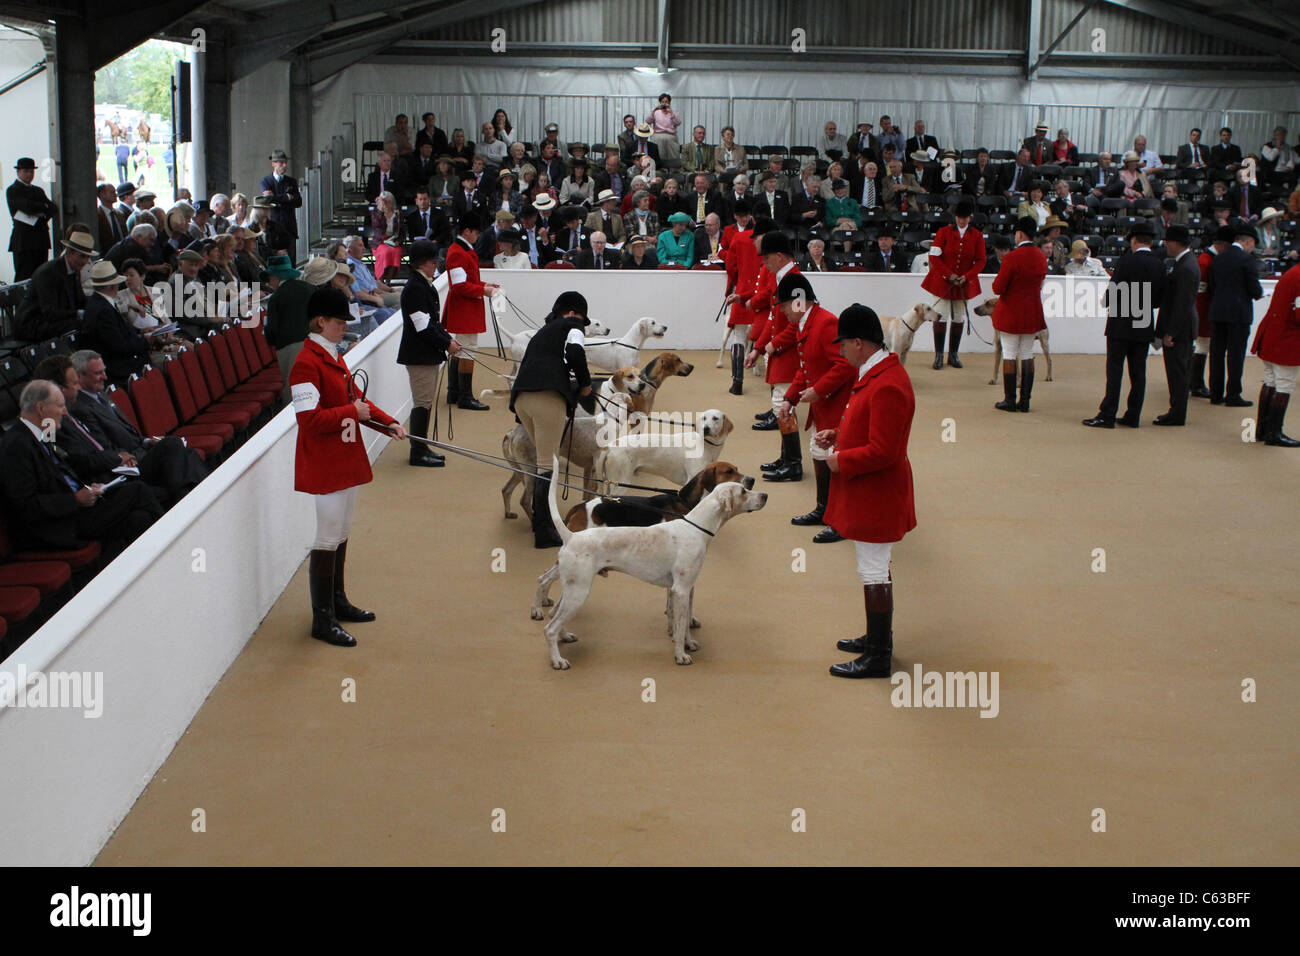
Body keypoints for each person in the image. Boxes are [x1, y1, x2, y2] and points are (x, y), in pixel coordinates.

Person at [290, 286, 404, 646]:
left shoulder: (331, 355)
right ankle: (321, 619)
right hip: (325, 464)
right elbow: (310, 421)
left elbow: (357, 400)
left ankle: (337, 602)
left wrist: (388, 423)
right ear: (321, 322)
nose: (346, 327)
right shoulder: (305, 363)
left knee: (341, 534)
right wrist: (352, 413)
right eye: (340, 322)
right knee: (326, 539)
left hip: (343, 459)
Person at [807, 305, 917, 679]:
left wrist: (842, 460)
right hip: (873, 490)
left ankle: (878, 655)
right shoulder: (878, 373)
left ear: (858, 343)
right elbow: (869, 427)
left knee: (873, 570)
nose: (840, 352)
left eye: (844, 345)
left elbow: (885, 450)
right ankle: (875, 639)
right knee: (873, 568)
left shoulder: (886, 383)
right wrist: (841, 435)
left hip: (877, 492)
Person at [0, 379, 161, 558]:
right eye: (60, 406)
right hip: (54, 526)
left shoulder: (41, 433)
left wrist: (87, 487)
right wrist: (75, 499)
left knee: (139, 519)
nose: (65, 411)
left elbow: (60, 476)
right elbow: (24, 505)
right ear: (41, 408)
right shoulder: (16, 446)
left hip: (74, 514)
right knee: (138, 490)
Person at [510, 291, 595, 547]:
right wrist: (585, 383)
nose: (581, 322)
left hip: (522, 398)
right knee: (549, 465)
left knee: (543, 462)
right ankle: (545, 531)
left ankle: (540, 521)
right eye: (580, 316)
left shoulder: (543, 332)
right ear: (572, 313)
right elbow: (576, 353)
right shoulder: (573, 325)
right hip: (546, 397)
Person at [776, 273, 855, 543]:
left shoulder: (826, 323)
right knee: (819, 453)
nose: (783, 311)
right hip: (822, 405)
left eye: (785, 304)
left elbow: (845, 365)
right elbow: (805, 368)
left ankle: (839, 518)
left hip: (838, 405)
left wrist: (819, 390)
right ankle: (824, 510)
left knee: (835, 459)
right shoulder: (806, 324)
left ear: (799, 302)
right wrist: (790, 398)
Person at [69, 349, 207, 503]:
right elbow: (102, 447)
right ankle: (188, 501)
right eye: (97, 373)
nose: (105, 377)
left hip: (141, 452)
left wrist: (148, 441)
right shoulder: (80, 408)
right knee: (172, 444)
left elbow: (129, 434)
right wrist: (121, 456)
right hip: (130, 466)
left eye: (104, 371)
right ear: (79, 376)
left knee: (189, 454)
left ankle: (203, 498)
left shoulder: (102, 396)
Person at [1082, 221, 1166, 429]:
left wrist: (1106, 302)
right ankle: (1133, 415)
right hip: (1143, 321)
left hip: (1121, 322)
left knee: (1115, 370)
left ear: (1134, 240)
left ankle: (1107, 414)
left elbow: (1115, 287)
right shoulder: (1159, 264)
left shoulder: (1127, 261)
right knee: (1138, 373)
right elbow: (1159, 299)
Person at [397, 239, 460, 468]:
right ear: (422, 263)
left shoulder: (424, 284)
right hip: (419, 354)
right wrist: (446, 344)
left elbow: (432, 322)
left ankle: (422, 446)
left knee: (426, 401)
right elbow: (422, 326)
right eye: (433, 262)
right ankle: (418, 450)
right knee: (422, 402)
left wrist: (447, 340)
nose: (436, 265)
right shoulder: (415, 287)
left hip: (427, 353)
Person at [748, 229, 804, 480]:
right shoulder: (783, 279)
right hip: (781, 354)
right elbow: (772, 319)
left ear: (779, 256)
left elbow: (798, 324)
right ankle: (786, 457)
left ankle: (793, 463)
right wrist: (759, 347)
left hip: (790, 355)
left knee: (784, 408)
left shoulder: (796, 282)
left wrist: (772, 345)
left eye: (766, 258)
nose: (764, 262)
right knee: (780, 406)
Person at [991, 217, 1049, 412]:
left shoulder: (1011, 258)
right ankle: (1025, 401)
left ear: (1019, 234)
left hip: (1011, 311)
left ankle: (1009, 399)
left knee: (1009, 353)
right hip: (1032, 311)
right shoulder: (1041, 257)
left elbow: (998, 288)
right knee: (1026, 354)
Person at [444, 211, 500, 410]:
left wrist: (485, 285)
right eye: (476, 232)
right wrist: (484, 290)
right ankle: (464, 396)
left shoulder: (462, 250)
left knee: (460, 349)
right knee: (468, 350)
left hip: (466, 307)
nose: (478, 236)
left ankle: (454, 391)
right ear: (467, 231)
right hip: (465, 308)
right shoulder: (458, 252)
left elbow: (468, 281)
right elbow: (459, 287)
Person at [921, 199, 984, 370]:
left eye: (964, 218)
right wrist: (949, 274)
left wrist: (966, 276)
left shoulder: (977, 236)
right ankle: (939, 355)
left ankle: (953, 354)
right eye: (959, 217)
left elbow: (980, 261)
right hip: (943, 281)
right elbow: (934, 257)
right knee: (940, 315)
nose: (961, 220)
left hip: (963, 283)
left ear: (969, 218)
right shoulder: (943, 232)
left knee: (958, 317)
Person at [1207, 224, 1264, 406]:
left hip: (1218, 311)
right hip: (1239, 313)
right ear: (1248, 242)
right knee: (1235, 355)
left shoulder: (1218, 258)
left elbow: (1213, 285)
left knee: (1216, 354)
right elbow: (1254, 289)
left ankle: (1215, 393)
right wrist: (1257, 294)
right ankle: (1232, 394)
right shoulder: (1247, 261)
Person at [1250, 257, 1300, 446]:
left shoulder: (1292, 274)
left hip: (1272, 335)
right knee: (1284, 385)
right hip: (1286, 340)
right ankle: (1274, 432)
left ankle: (1263, 429)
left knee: (1271, 381)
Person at [1152, 226, 1199, 426]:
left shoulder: (1186, 267)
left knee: (1177, 372)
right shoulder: (1186, 264)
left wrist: (1171, 332)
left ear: (1176, 243)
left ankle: (1177, 412)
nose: (1166, 245)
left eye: (1168, 242)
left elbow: (1182, 304)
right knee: (1178, 371)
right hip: (1182, 328)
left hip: (1179, 330)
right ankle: (1176, 409)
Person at [15, 229, 95, 341]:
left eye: (87, 257)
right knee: (82, 325)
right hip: (33, 324)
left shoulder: (73, 270)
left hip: (53, 320)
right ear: (69, 252)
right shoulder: (48, 273)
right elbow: (50, 312)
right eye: (82, 256)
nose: (85, 261)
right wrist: (79, 313)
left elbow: (80, 300)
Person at [78, 260, 150, 385]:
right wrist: (146, 340)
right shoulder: (103, 310)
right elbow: (119, 346)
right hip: (117, 369)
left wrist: (141, 331)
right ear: (113, 286)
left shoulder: (100, 303)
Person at [264, 253, 316, 403]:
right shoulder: (310, 288)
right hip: (313, 340)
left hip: (289, 345)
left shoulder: (276, 297)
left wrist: (272, 341)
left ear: (275, 277)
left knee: (293, 387)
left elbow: (271, 328)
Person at [7, 157, 57, 281]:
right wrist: (41, 207)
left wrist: (41, 211)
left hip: (40, 239)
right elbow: (27, 207)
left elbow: (52, 208)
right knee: (23, 276)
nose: (29, 174)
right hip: (24, 241)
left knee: (40, 275)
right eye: (26, 171)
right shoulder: (13, 190)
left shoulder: (38, 190)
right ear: (18, 172)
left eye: (31, 171)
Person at [259, 150, 302, 265]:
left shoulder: (291, 181)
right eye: (281, 163)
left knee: (291, 262)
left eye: (285, 163)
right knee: (275, 261)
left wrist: (276, 198)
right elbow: (267, 199)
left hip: (289, 228)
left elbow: (298, 202)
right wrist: (287, 197)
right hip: (274, 228)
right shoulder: (266, 181)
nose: (284, 165)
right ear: (273, 163)